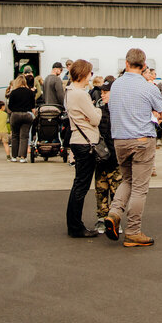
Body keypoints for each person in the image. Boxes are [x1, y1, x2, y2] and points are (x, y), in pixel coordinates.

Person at [104, 47, 162, 247]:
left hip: (120, 139)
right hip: (141, 139)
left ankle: (114, 213)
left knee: (127, 179)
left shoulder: (115, 86)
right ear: (144, 65)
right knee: (140, 188)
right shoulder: (149, 87)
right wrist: (156, 115)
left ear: (126, 63)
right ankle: (133, 231)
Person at [63, 59, 101, 238]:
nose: (90, 77)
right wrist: (97, 111)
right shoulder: (81, 94)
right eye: (90, 73)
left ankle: (73, 223)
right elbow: (95, 119)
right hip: (87, 142)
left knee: (78, 184)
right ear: (84, 74)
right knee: (81, 186)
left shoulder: (69, 92)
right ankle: (76, 226)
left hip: (77, 140)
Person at [92, 76, 122, 234]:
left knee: (116, 192)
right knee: (100, 190)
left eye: (105, 92)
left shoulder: (120, 112)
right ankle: (102, 218)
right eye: (101, 92)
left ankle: (115, 218)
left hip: (116, 160)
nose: (102, 95)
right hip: (101, 159)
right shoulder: (99, 112)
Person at [7, 74, 36, 163]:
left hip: (15, 115)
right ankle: (23, 157)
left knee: (15, 136)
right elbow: (32, 106)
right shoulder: (30, 92)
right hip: (27, 115)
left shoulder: (13, 92)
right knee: (24, 136)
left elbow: (10, 106)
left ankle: (14, 156)